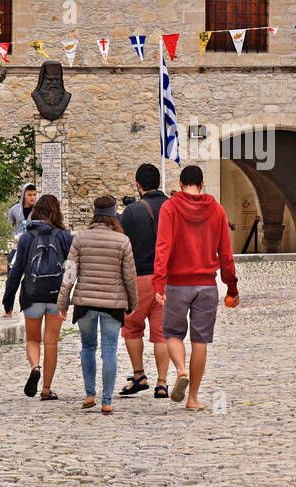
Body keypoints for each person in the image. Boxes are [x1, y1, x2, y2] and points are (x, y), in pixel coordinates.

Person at [153, 164, 239, 411]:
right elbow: (226, 253)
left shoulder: (169, 208)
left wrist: (159, 281)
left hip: (177, 283)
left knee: (171, 333)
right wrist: (231, 287)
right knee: (200, 340)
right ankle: (192, 398)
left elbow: (163, 247)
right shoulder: (217, 210)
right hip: (206, 285)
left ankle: (180, 370)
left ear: (180, 184)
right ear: (202, 185)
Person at [57, 195, 139, 414]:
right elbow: (129, 277)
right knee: (110, 350)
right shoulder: (122, 241)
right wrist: (133, 303)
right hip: (113, 303)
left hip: (85, 302)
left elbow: (70, 273)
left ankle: (90, 393)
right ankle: (107, 400)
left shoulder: (81, 239)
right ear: (114, 215)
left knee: (87, 347)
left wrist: (62, 302)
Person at [2, 193, 71, 400]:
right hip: (55, 296)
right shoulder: (64, 237)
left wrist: (8, 300)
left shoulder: (26, 238)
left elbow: (16, 271)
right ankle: (47, 389)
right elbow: (72, 268)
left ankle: (35, 367)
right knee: (51, 342)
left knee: (33, 339)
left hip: (32, 295)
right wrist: (65, 299)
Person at [117, 164, 172, 398]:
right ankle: (162, 382)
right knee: (161, 333)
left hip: (139, 277)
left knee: (131, 328)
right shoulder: (173, 207)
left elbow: (122, 245)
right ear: (159, 182)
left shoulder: (132, 212)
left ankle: (139, 375)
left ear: (138, 185)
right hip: (167, 280)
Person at [6, 183, 38, 269]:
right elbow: (8, 228)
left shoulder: (39, 210)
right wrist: (15, 236)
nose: (32, 197)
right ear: (24, 195)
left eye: (34, 195)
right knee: (11, 268)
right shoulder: (14, 209)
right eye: (30, 195)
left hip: (34, 247)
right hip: (18, 246)